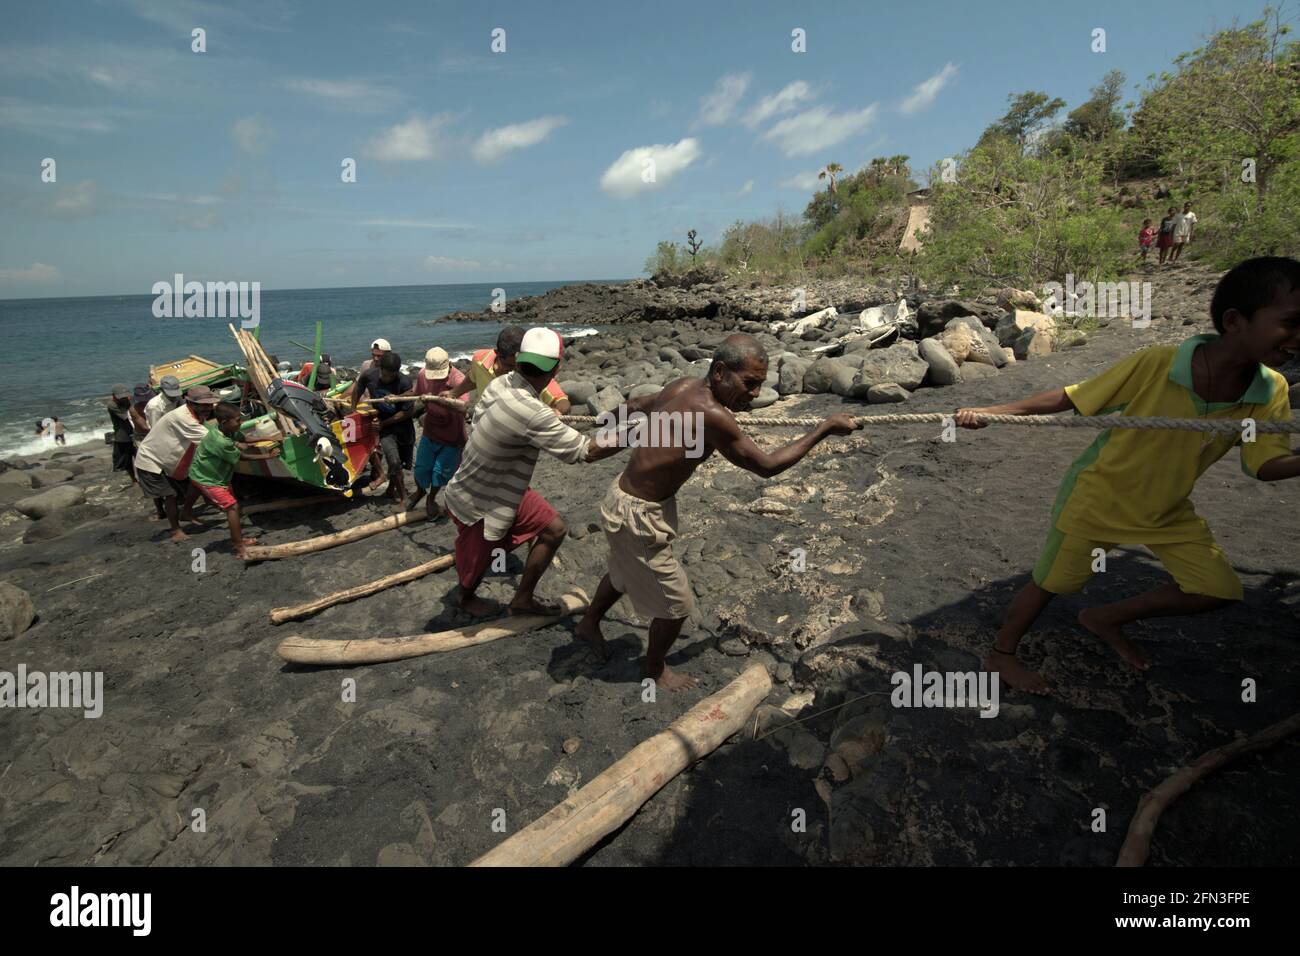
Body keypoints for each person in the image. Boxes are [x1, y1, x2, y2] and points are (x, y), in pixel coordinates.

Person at [956, 256, 1300, 694]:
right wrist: (992, 412)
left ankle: (1104, 617)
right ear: (1235, 321)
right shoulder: (1158, 363)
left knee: (1217, 588)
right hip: (1098, 499)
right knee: (1051, 583)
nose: (1298, 337)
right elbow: (1072, 398)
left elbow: (1264, 466)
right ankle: (1001, 654)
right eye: (1291, 322)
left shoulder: (1271, 391)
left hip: (1166, 510)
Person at [575, 334, 861, 689]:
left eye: (760, 384)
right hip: (638, 514)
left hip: (621, 496)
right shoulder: (712, 414)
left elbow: (635, 405)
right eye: (750, 383)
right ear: (721, 371)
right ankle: (653, 669)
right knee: (676, 604)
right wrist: (824, 429)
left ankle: (588, 623)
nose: (755, 393)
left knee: (622, 571)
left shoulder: (681, 386)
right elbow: (767, 466)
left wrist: (604, 423)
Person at [441, 327, 627, 618]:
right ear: (557, 367)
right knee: (479, 560)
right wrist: (638, 433)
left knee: (554, 529)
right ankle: (464, 598)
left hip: (496, 482)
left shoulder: (501, 383)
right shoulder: (531, 411)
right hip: (479, 497)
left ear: (518, 359)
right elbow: (585, 452)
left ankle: (522, 599)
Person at [179, 404, 281, 558]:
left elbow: (244, 437)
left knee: (233, 506)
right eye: (238, 421)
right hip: (207, 479)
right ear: (224, 422)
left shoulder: (228, 431)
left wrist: (269, 437)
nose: (240, 423)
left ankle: (238, 539)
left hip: (215, 476)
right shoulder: (221, 441)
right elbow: (243, 457)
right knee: (232, 507)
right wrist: (269, 456)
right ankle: (239, 546)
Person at [133, 385, 220, 542]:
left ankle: (186, 512)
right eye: (204, 405)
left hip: (172, 459)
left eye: (210, 404)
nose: (208, 408)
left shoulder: (195, 414)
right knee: (170, 496)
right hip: (152, 460)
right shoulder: (183, 417)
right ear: (191, 404)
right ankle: (175, 530)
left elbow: (209, 433)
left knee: (196, 480)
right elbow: (213, 441)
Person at [450, 326, 571, 415]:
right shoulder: (479, 359)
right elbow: (473, 379)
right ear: (497, 353)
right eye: (509, 366)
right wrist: (454, 393)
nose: (514, 370)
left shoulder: (529, 375)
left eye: (517, 366)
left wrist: (558, 411)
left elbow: (561, 400)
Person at [406, 346, 467, 519]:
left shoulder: (458, 379)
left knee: (439, 473)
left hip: (452, 436)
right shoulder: (422, 375)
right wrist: (397, 397)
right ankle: (420, 491)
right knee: (421, 469)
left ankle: (431, 498)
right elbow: (416, 394)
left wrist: (438, 400)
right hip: (431, 430)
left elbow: (464, 407)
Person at [351, 351, 415, 503]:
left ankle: (390, 490)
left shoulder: (405, 383)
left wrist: (383, 423)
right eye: (384, 375)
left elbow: (407, 412)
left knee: (401, 463)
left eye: (390, 376)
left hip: (403, 426)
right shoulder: (369, 375)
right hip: (385, 429)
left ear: (397, 373)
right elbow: (358, 388)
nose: (386, 378)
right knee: (394, 461)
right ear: (380, 368)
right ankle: (403, 500)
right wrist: (354, 411)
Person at [106, 385, 137, 481]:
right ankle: (134, 479)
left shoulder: (127, 401)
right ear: (114, 396)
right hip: (122, 435)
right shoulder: (112, 405)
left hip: (134, 431)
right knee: (127, 461)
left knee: (139, 456)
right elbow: (126, 416)